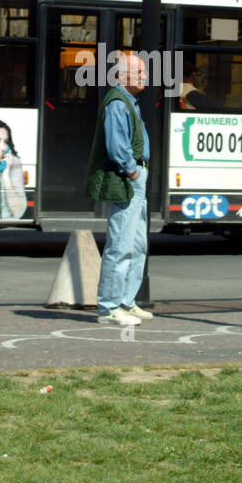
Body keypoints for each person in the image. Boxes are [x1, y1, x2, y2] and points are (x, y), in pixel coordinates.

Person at [85, 52, 152, 327]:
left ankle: (125, 302)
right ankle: (109, 307)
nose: (145, 77)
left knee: (137, 245)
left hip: (135, 177)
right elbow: (117, 146)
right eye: (140, 73)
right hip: (127, 179)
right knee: (121, 245)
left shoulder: (128, 101)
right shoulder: (118, 103)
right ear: (123, 77)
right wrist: (133, 170)